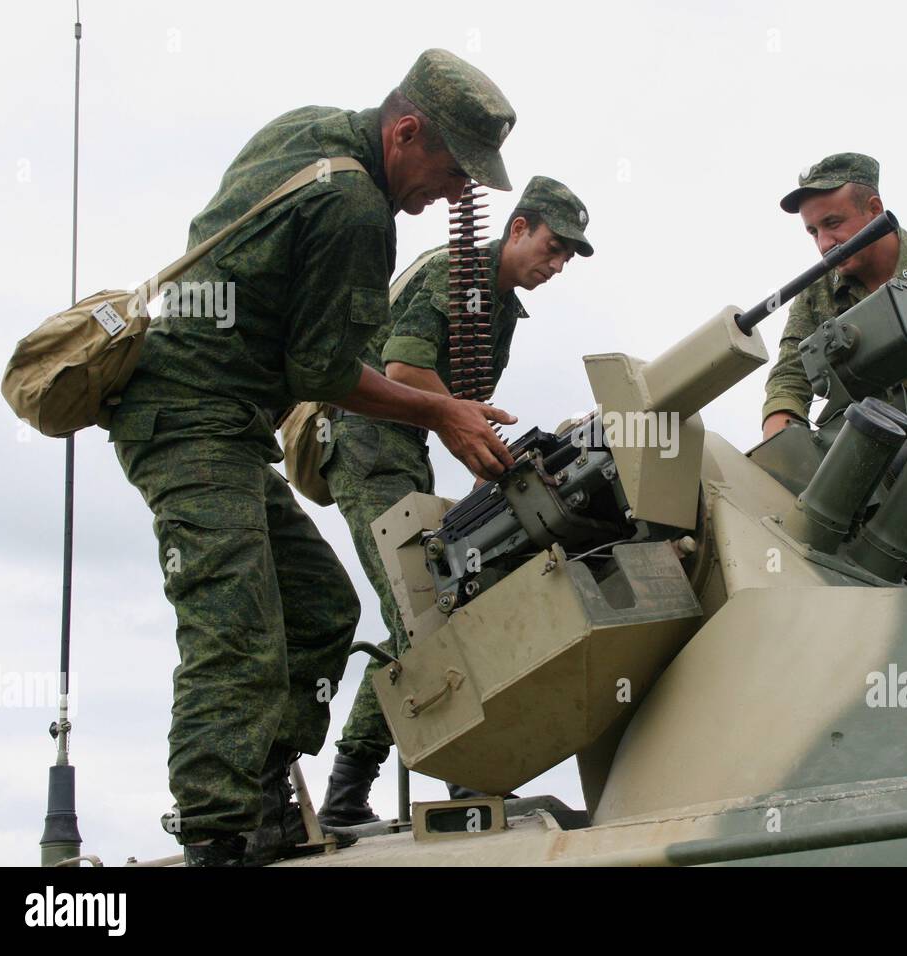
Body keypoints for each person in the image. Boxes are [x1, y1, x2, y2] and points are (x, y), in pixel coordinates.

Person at [108, 49, 519, 867]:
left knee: (323, 608)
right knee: (237, 630)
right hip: (190, 419)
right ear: (405, 132)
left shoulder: (309, 131)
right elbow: (325, 374)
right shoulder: (357, 208)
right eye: (450, 172)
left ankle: (260, 797)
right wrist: (441, 410)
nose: (451, 196)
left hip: (217, 420)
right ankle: (218, 836)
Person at [318, 176, 594, 825]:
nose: (554, 266)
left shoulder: (498, 310)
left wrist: (495, 473)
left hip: (403, 450)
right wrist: (467, 430)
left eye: (565, 259)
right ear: (518, 227)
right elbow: (405, 371)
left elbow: (456, 409)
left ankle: (365, 788)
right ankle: (415, 785)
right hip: (364, 441)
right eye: (551, 247)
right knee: (419, 616)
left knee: (436, 607)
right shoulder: (455, 273)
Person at [762, 152, 907, 523]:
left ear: (874, 209)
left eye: (833, 223)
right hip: (853, 466)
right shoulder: (816, 293)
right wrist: (787, 461)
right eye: (813, 232)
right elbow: (790, 380)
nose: (825, 243)